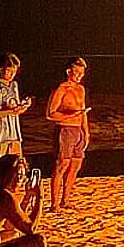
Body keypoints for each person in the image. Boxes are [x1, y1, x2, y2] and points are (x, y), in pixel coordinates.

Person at [46, 57, 89, 212]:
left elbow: (83, 113)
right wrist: (69, 116)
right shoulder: (61, 89)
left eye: (81, 73)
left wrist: (86, 132)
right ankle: (54, 204)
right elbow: (50, 114)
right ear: (68, 71)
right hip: (65, 129)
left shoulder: (81, 89)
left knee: (75, 166)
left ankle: (66, 200)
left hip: (78, 131)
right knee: (61, 165)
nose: (79, 76)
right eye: (76, 72)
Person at [0, 53, 32, 166]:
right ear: (0, 69)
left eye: (14, 71)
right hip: (0, 132)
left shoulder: (14, 85)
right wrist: (10, 111)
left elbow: (15, 109)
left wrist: (23, 106)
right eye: (9, 71)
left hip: (14, 132)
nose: (11, 74)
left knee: (16, 164)